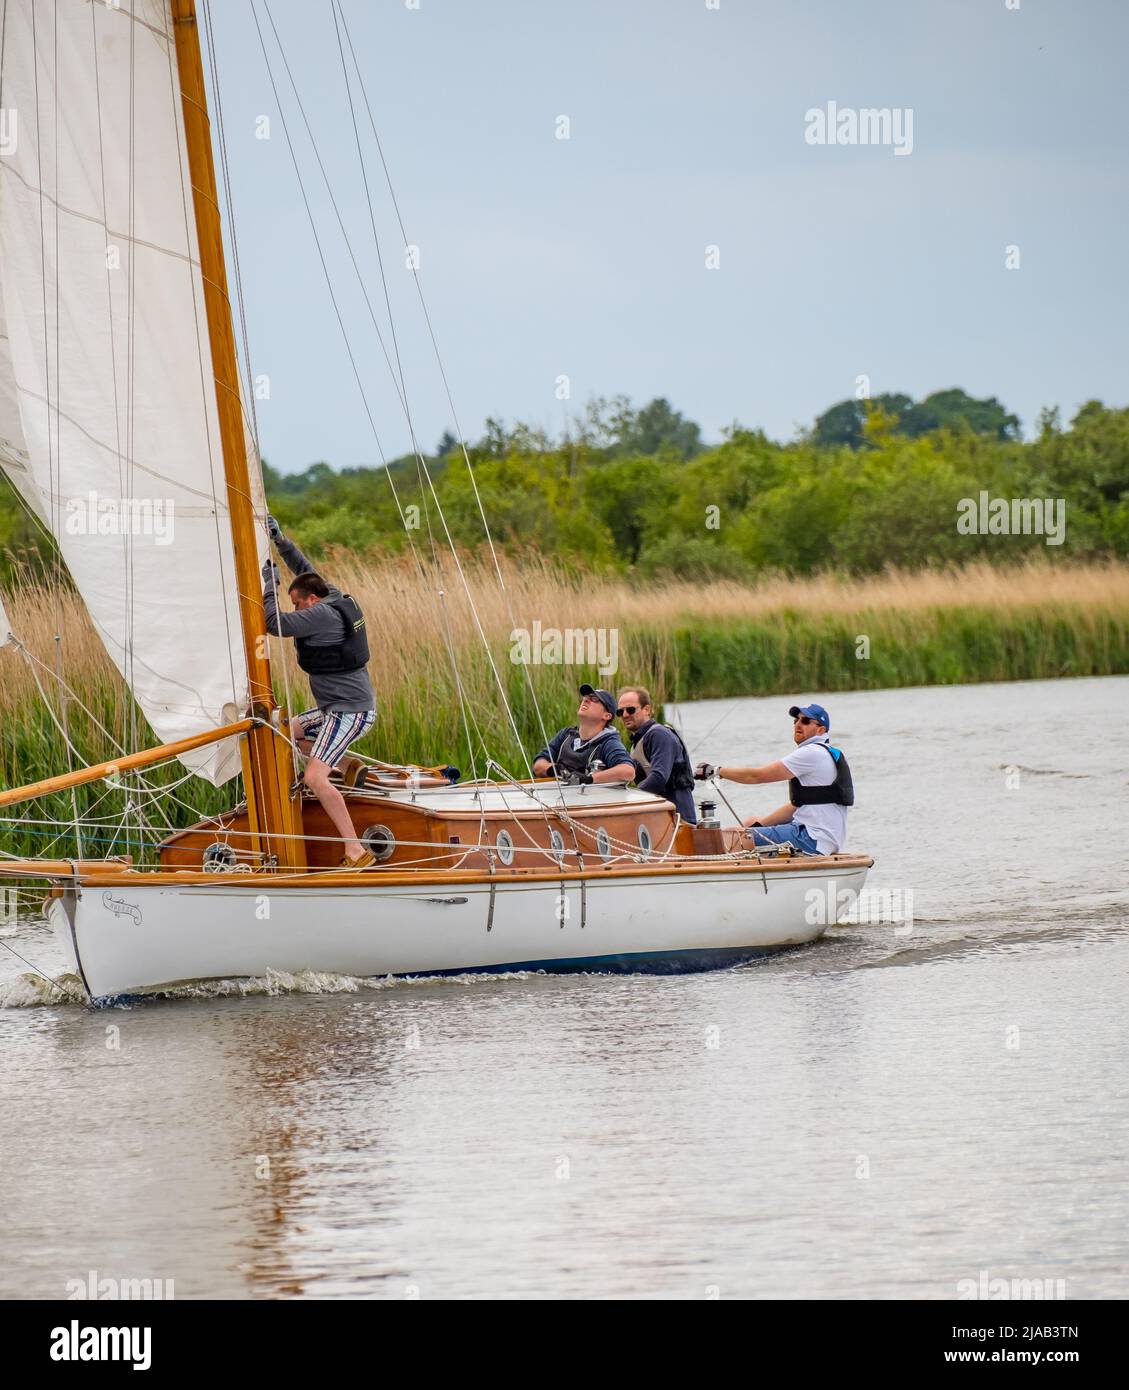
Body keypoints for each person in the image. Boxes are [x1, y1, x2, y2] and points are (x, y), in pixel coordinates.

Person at [262, 516, 378, 868]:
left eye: (297, 603)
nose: (296, 608)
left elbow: (273, 622)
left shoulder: (320, 616)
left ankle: (356, 851)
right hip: (333, 709)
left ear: (311, 600)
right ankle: (346, 765)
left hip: (351, 711)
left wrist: (269, 584)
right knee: (283, 732)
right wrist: (280, 540)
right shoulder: (332, 594)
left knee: (314, 777)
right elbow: (305, 568)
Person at [694, 702, 853, 855]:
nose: (798, 724)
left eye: (805, 721)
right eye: (796, 720)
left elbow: (756, 776)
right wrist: (758, 825)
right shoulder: (827, 753)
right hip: (825, 839)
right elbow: (796, 806)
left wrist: (715, 771)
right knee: (751, 822)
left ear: (821, 730)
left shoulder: (811, 753)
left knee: (731, 837)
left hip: (810, 838)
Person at [616, 686, 697, 825]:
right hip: (658, 819)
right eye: (620, 711)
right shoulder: (638, 741)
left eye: (630, 709)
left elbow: (659, 777)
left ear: (647, 709)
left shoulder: (659, 735)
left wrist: (627, 797)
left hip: (679, 821)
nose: (624, 715)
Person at [532, 685, 635, 784]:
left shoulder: (609, 743)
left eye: (594, 699)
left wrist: (589, 779)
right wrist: (552, 769)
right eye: (585, 697)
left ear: (607, 715)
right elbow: (538, 765)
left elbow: (628, 771)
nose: (585, 700)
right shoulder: (566, 735)